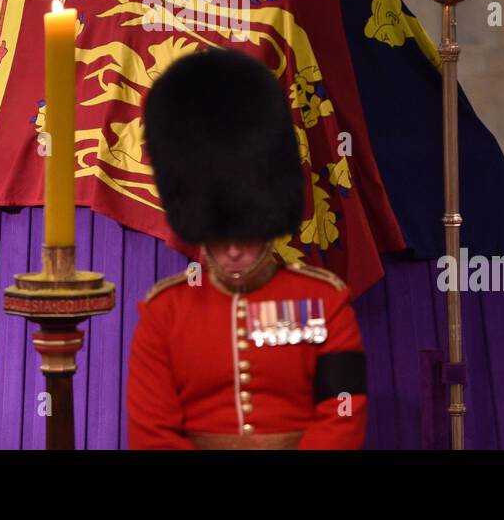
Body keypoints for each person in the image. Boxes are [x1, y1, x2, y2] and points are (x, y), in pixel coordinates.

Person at [127, 49, 367, 450]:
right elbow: (152, 429)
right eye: (222, 238)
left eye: (248, 234)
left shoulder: (325, 301)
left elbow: (342, 410)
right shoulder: (163, 313)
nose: (235, 251)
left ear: (269, 224)